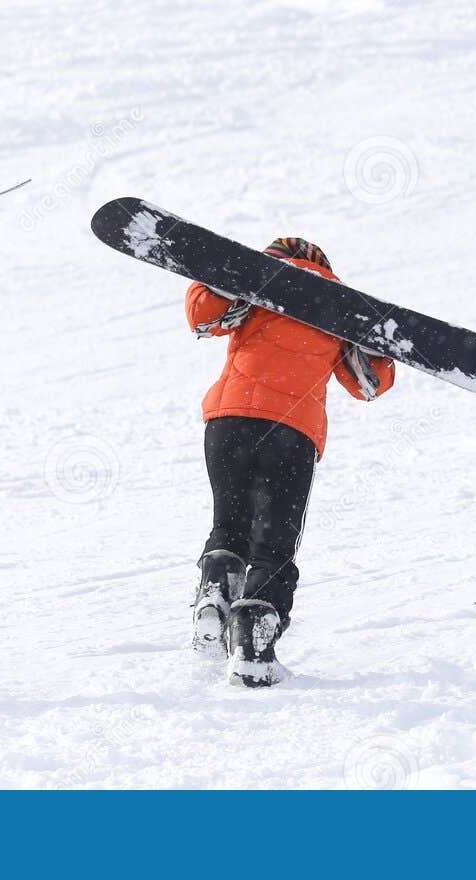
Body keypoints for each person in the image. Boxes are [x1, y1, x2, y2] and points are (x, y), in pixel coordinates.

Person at [185, 237, 396, 687]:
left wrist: (231, 279)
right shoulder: (338, 306)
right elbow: (368, 384)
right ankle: (253, 650)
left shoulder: (254, 284)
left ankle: (216, 592)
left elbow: (202, 316)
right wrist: (380, 342)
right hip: (290, 430)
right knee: (273, 543)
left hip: (229, 420)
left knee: (230, 524)